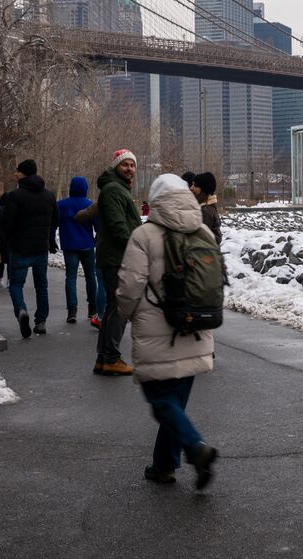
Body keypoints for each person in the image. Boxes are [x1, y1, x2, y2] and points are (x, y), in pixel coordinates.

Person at [117, 173, 219, 489]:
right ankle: (164, 465)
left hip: (156, 330)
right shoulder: (203, 230)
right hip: (197, 327)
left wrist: (124, 314)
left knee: (161, 401)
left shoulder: (144, 235)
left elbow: (130, 287)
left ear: (155, 200)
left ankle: (196, 448)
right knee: (174, 404)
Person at [89, 149, 142, 376]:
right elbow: (118, 226)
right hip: (116, 257)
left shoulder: (118, 188)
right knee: (121, 308)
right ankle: (111, 357)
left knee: (114, 307)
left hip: (116, 256)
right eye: (125, 165)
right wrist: (138, 246)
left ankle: (104, 359)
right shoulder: (113, 189)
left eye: (132, 165)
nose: (129, 169)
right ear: (116, 166)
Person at [0, 160, 60, 339]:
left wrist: (9, 240)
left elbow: (7, 222)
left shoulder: (15, 196)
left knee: (16, 284)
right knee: (41, 286)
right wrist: (49, 239)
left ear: (24, 173)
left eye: (17, 171)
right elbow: (55, 220)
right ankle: (41, 322)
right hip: (41, 248)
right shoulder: (49, 195)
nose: (15, 174)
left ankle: (21, 310)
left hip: (20, 248)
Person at [58, 176, 102, 327]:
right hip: (87, 245)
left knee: (70, 277)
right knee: (91, 276)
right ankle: (92, 308)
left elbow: (55, 222)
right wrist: (96, 239)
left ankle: (72, 311)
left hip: (69, 245)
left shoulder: (61, 205)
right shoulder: (89, 204)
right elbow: (97, 226)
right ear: (85, 188)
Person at [190, 172, 221, 244]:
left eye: (195, 185)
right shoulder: (205, 207)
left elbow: (199, 240)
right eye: (192, 184)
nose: (191, 188)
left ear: (204, 190)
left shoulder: (206, 211)